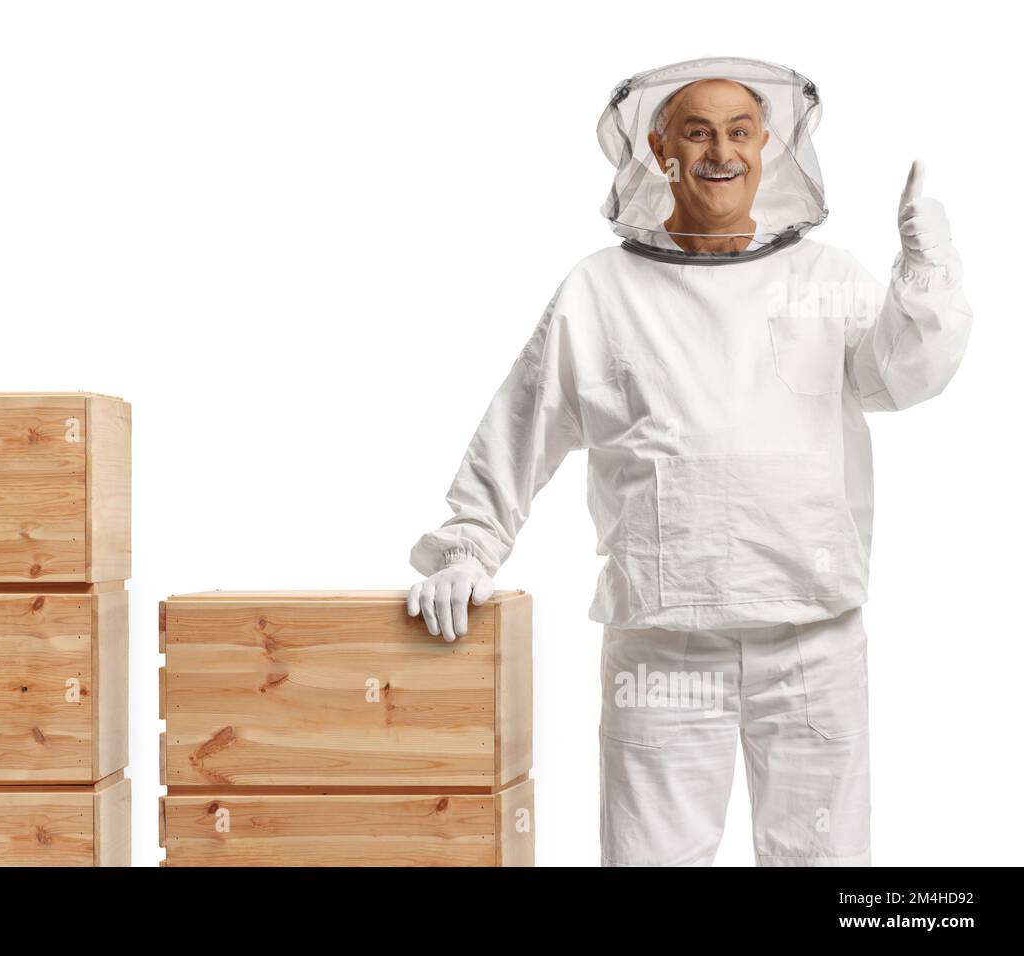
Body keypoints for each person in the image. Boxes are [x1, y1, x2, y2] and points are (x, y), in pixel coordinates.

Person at [406, 57, 972, 866]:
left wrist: (925, 269)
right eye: (698, 132)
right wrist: (469, 545)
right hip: (664, 651)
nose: (721, 151)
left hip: (813, 642)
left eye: (740, 131)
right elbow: (525, 418)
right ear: (659, 149)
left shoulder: (825, 279)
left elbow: (909, 377)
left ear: (767, 146)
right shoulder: (600, 292)